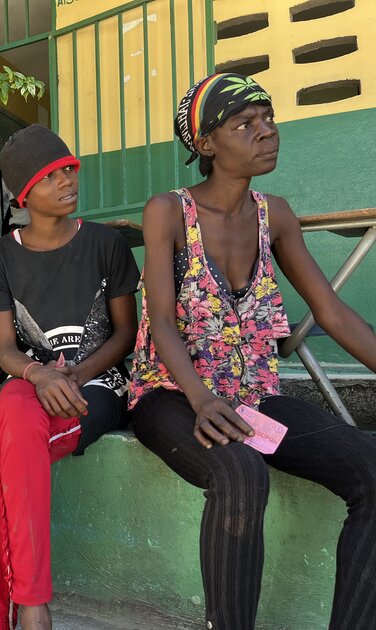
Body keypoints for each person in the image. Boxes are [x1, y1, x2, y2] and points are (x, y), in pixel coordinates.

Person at [128, 73, 376, 630]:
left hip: (254, 398)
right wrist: (200, 397)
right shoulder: (169, 212)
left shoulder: (276, 216)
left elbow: (332, 313)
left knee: (372, 468)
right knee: (240, 472)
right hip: (170, 395)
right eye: (246, 124)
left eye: (268, 119)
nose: (266, 133)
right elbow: (161, 322)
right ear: (207, 144)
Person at [0, 125, 140, 630]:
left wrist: (71, 376)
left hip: (99, 385)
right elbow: (5, 348)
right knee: (19, 407)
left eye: (70, 169)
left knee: (8, 446)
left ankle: (27, 604)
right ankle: (30, 605)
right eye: (52, 176)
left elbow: (124, 335)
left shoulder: (105, 244)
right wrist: (39, 375)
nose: (68, 180)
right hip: (29, 383)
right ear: (25, 194)